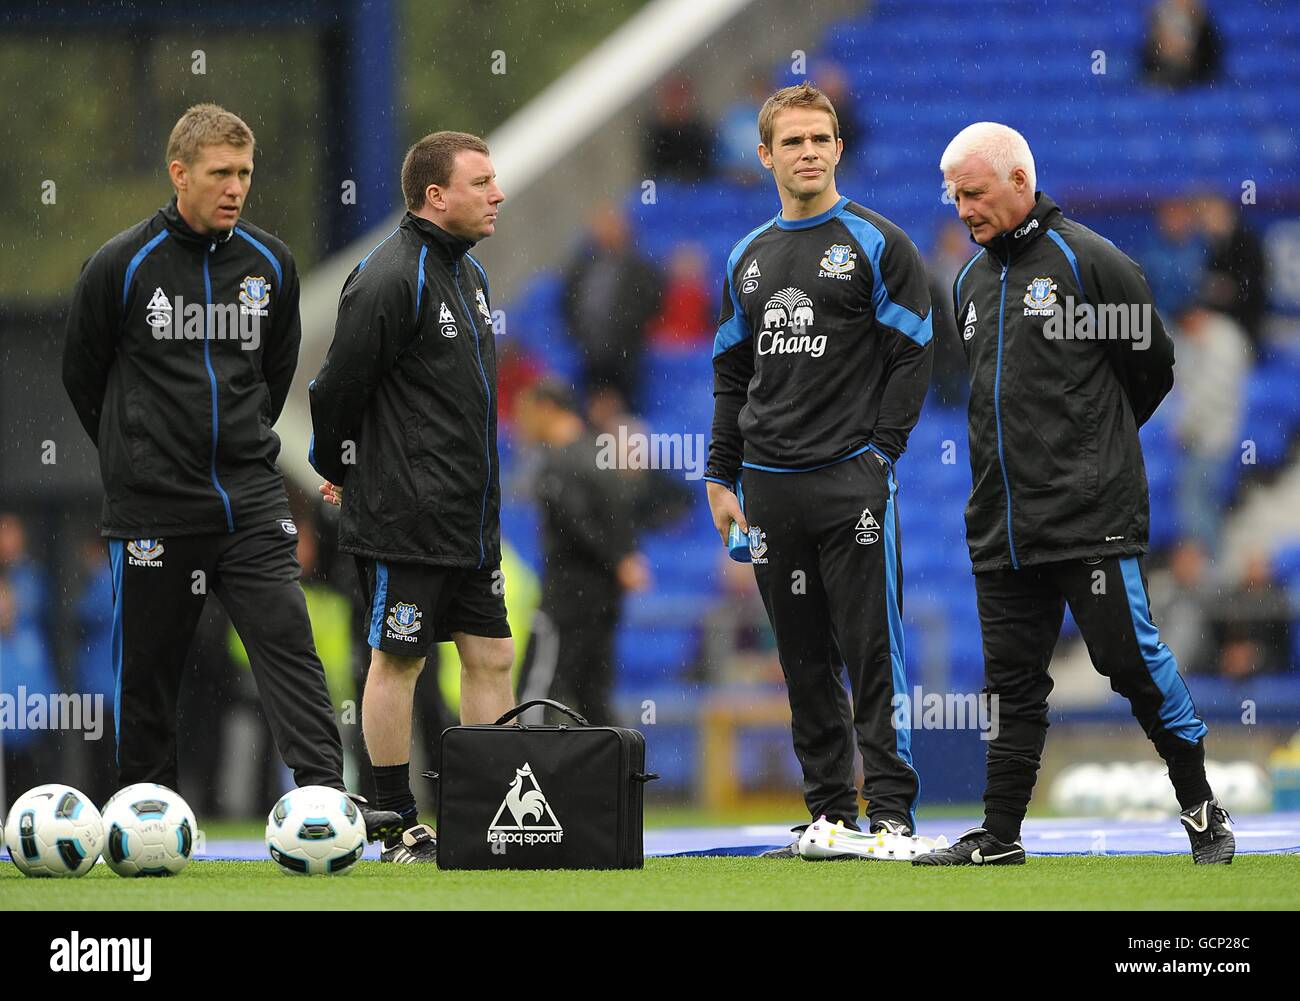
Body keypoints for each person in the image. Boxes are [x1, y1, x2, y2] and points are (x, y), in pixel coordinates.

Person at [61, 103, 401, 842]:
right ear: (179, 174)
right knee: (148, 670)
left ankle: (324, 801)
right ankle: (144, 818)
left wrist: (238, 448)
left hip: (248, 500)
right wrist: (137, 456)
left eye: (245, 172)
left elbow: (273, 377)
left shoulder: (271, 264)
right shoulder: (122, 266)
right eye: (220, 173)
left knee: (289, 644)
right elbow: (83, 375)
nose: (235, 187)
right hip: (153, 508)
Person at [917, 122, 1232, 866]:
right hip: (1001, 522)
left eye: (975, 192)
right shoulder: (968, 283)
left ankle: (1200, 807)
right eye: (954, 196)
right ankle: (999, 839)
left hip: (1089, 518)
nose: (962, 209)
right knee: (1011, 687)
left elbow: (1151, 367)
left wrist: (1094, 450)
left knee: (1132, 664)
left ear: (1020, 182)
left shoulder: (1090, 261)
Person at [704, 82, 934, 855]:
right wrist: (718, 476)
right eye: (793, 142)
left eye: (821, 139)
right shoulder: (746, 256)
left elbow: (913, 358)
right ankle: (831, 813)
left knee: (873, 652)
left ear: (839, 147)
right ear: (764, 154)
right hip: (768, 488)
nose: (809, 152)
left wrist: (883, 455)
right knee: (800, 659)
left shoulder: (878, 243)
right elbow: (732, 376)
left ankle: (893, 813)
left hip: (851, 480)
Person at [309, 131, 514, 863]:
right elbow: (333, 387)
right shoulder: (389, 274)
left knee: (491, 657)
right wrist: (336, 460)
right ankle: (393, 818)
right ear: (436, 195)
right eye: (482, 182)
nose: (498, 193)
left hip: (471, 520)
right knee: (399, 662)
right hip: (405, 519)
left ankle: (491, 816)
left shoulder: (473, 277)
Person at [512, 378, 651, 726]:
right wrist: (623, 559)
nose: (519, 425)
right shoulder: (599, 455)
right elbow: (620, 516)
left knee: (536, 693)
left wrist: (617, 559)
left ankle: (530, 774)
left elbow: (577, 523)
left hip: (566, 599)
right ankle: (611, 776)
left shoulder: (558, 463)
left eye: (526, 414)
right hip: (604, 599)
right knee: (593, 697)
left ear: (546, 409)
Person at [561, 201, 662, 410]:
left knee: (626, 414)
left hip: (627, 356)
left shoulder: (640, 267)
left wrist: (621, 333)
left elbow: (647, 305)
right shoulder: (582, 267)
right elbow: (567, 304)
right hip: (588, 355)